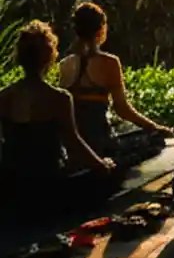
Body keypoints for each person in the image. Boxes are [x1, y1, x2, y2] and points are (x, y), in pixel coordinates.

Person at [0, 21, 117, 212]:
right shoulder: (59, 98)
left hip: (13, 183)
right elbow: (73, 142)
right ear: (49, 57)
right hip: (49, 183)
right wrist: (102, 166)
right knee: (114, 171)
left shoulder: (4, 96)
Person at [58, 3, 170, 164]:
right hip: (101, 145)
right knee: (155, 139)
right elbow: (122, 109)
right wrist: (155, 127)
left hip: (75, 147)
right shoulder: (109, 62)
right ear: (101, 29)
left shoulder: (64, 65)